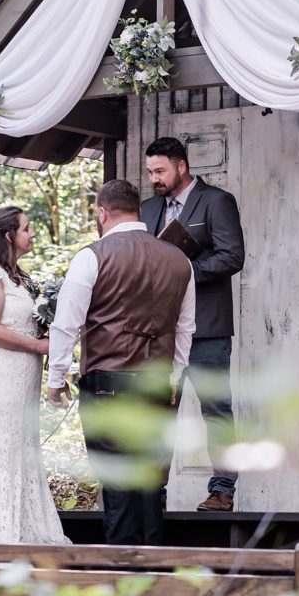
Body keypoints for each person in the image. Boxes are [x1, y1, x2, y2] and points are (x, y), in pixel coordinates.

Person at [47, 179, 195, 546]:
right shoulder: (180, 260)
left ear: (102, 212)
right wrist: (175, 378)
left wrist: (56, 378)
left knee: (117, 488)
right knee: (149, 488)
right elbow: (185, 328)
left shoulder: (92, 256)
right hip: (159, 385)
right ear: (139, 211)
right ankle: (153, 584)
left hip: (108, 383)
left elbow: (67, 323)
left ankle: (122, 578)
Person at [140, 136, 245, 512]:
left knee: (216, 410)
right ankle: (154, 494)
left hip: (207, 330)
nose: (154, 177)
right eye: (151, 171)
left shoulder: (216, 202)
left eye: (160, 170)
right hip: (161, 333)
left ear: (181, 166)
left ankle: (222, 491)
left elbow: (232, 257)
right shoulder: (148, 208)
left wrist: (182, 272)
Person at [0, 205, 67, 545]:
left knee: (23, 450)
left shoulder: (18, 276)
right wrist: (38, 348)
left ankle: (26, 533)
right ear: (8, 236)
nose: (32, 234)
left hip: (22, 379)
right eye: (26, 229)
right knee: (1, 452)